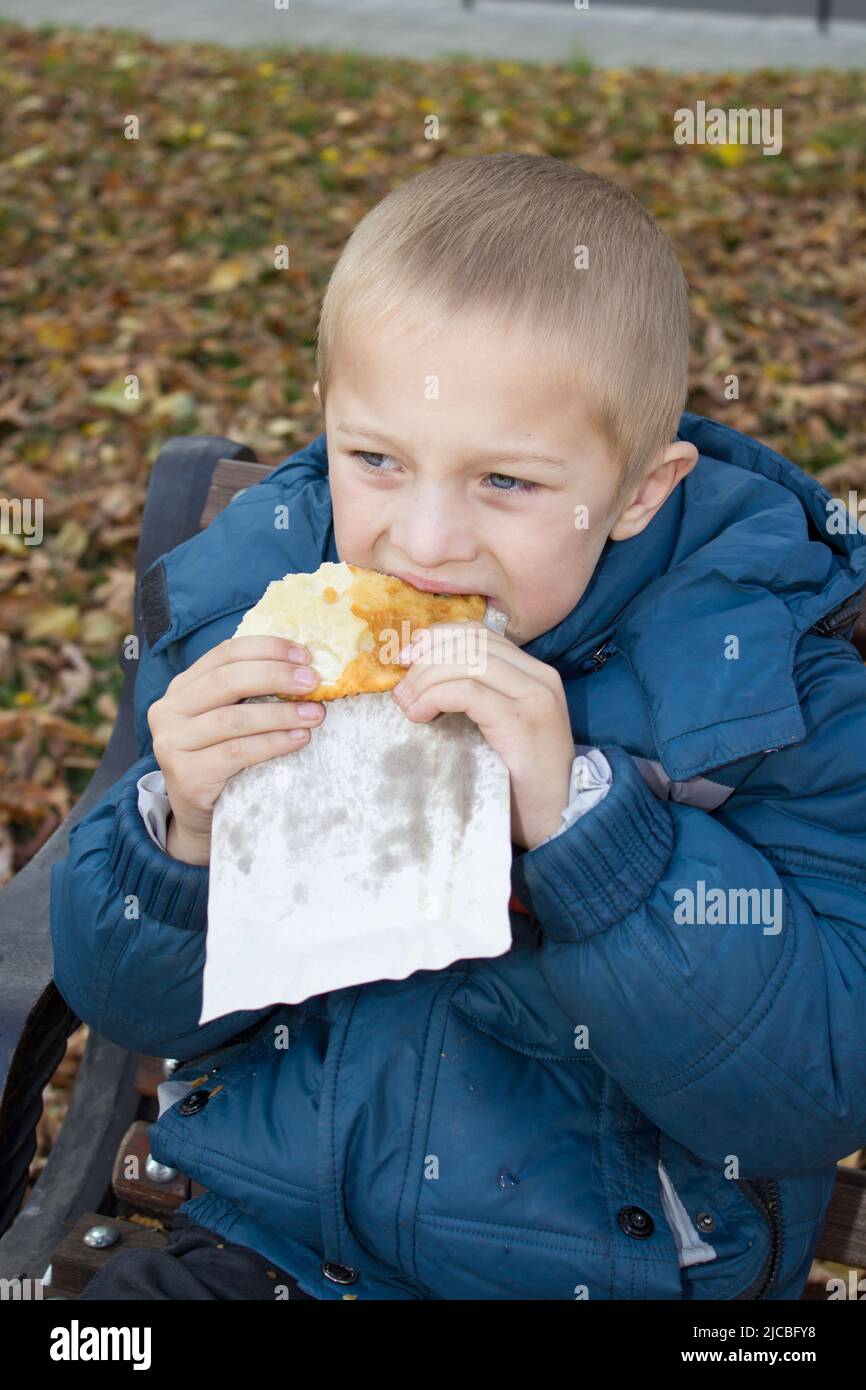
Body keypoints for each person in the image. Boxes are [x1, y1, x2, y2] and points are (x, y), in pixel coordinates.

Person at [55, 153, 866, 1301]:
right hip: (272, 1257)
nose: (421, 542)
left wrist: (589, 830)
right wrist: (178, 838)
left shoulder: (760, 697)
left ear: (638, 489)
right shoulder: (258, 619)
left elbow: (807, 1091)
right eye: (375, 461)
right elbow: (127, 1003)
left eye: (505, 484)